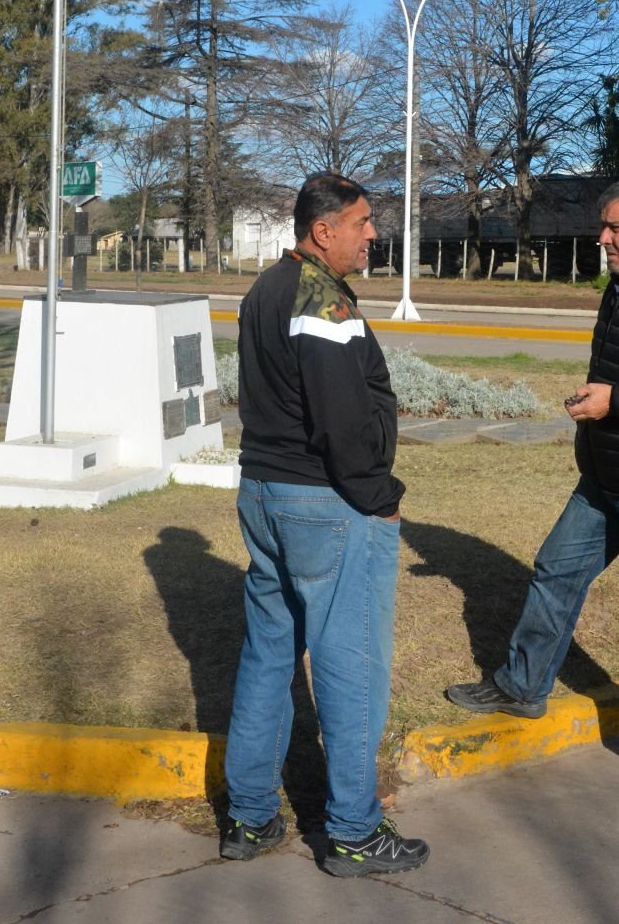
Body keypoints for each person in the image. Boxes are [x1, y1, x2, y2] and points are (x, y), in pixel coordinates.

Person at [447, 177, 619, 809]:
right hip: (609, 474)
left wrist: (615, 401)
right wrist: (600, 400)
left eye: (614, 227)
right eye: (604, 226)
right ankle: (523, 686)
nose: (602, 238)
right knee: (556, 570)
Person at [221, 172, 429, 877]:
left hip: (264, 494)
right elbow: (341, 421)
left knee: (268, 656)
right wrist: (380, 495)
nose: (372, 234)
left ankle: (249, 818)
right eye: (362, 222)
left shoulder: (267, 288)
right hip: (324, 503)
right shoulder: (321, 300)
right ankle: (354, 832)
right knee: (352, 667)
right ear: (323, 230)